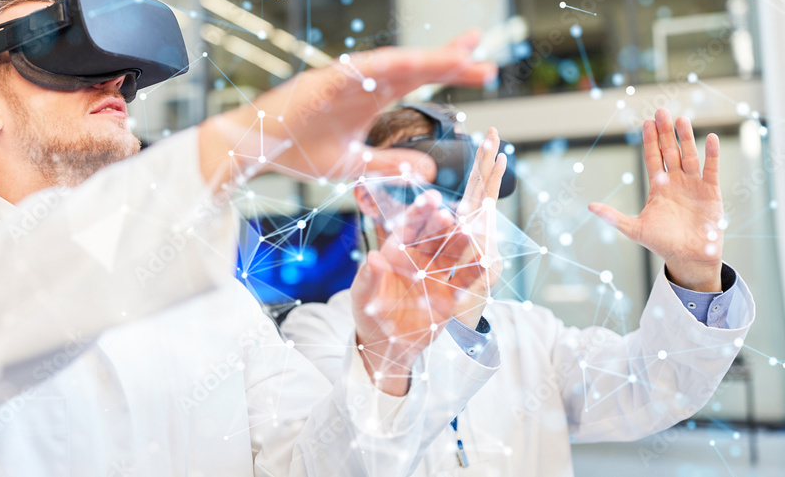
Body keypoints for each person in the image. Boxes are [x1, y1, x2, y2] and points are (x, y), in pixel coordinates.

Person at [0, 0, 507, 476]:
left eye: (119, 67)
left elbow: (313, 466)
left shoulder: (218, 304)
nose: (114, 80)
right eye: (60, 54)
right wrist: (234, 146)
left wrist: (386, 361)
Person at [281, 103, 755, 476]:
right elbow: (345, 463)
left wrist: (695, 273)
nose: (449, 204)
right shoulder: (319, 333)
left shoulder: (531, 333)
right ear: (367, 196)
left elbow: (655, 388)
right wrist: (461, 315)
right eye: (419, 177)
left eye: (467, 182)